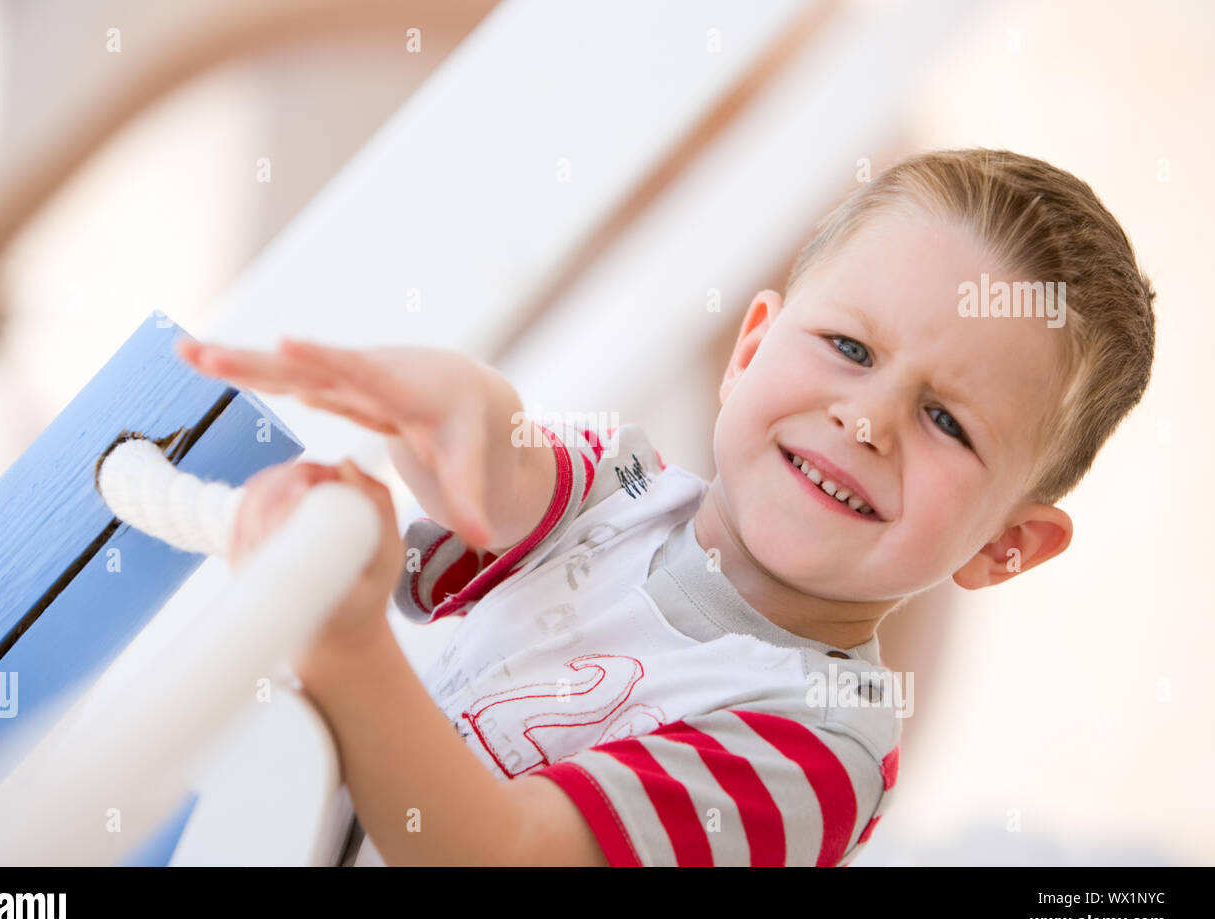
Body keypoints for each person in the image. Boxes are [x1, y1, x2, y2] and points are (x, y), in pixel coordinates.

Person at [175, 147, 1157, 866]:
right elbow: (499, 480)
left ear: (1006, 545)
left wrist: (347, 648)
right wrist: (454, 414)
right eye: (849, 349)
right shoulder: (620, 483)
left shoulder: (817, 746)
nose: (866, 420)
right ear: (746, 351)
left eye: (946, 419)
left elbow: (504, 852)